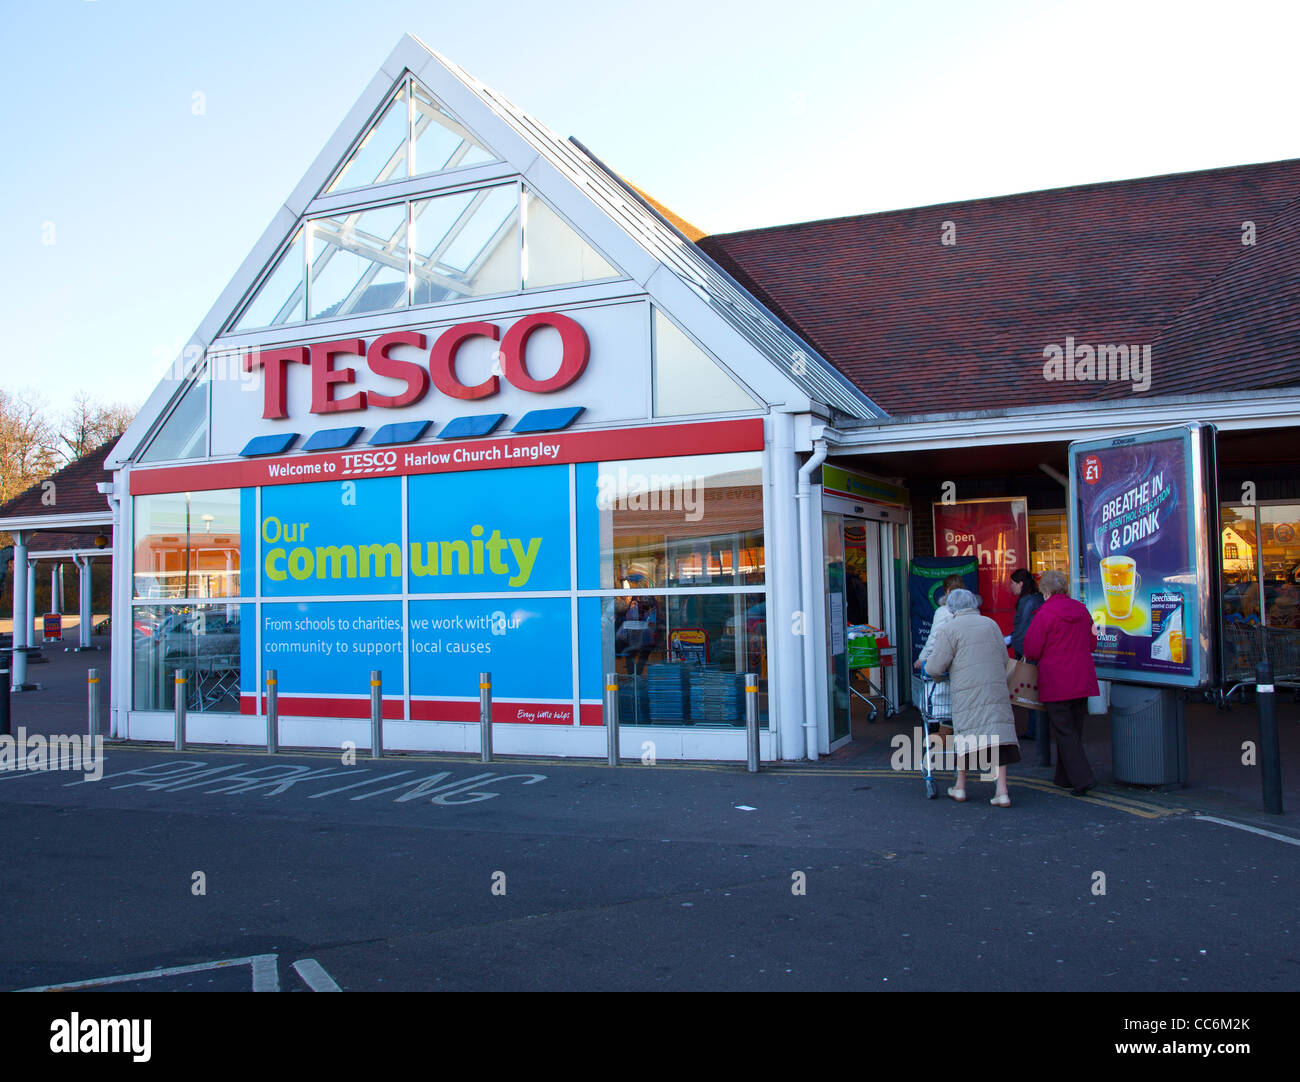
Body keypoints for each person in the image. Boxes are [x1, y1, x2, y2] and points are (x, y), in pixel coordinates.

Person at [924, 588, 1021, 807]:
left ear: (952, 608)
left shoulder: (950, 629)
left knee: (965, 737)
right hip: (994, 690)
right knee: (998, 737)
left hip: (967, 692)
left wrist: (937, 676)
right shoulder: (991, 624)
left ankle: (960, 787)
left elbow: (935, 667)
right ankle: (1002, 791)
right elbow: (1004, 659)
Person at [1022, 569, 1099, 796]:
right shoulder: (1082, 610)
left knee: (1064, 732)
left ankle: (1082, 779)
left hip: (1056, 680)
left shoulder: (1044, 613)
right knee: (1074, 729)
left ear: (1045, 592)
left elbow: (1032, 649)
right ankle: (1064, 777)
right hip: (1082, 677)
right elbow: (1093, 642)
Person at [1006, 568, 1045, 740]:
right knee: (1036, 693)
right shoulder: (1037, 599)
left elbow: (1022, 631)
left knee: (1031, 694)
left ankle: (1034, 731)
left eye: (1012, 583)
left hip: (1031, 654)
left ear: (1021, 584)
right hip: (1039, 651)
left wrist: (1014, 646)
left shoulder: (1026, 602)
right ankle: (1036, 729)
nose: (1010, 586)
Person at [913, 574, 968, 672]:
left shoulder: (943, 611)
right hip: (968, 661)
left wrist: (922, 658)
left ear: (947, 591)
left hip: (951, 664)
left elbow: (935, 637)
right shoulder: (971, 610)